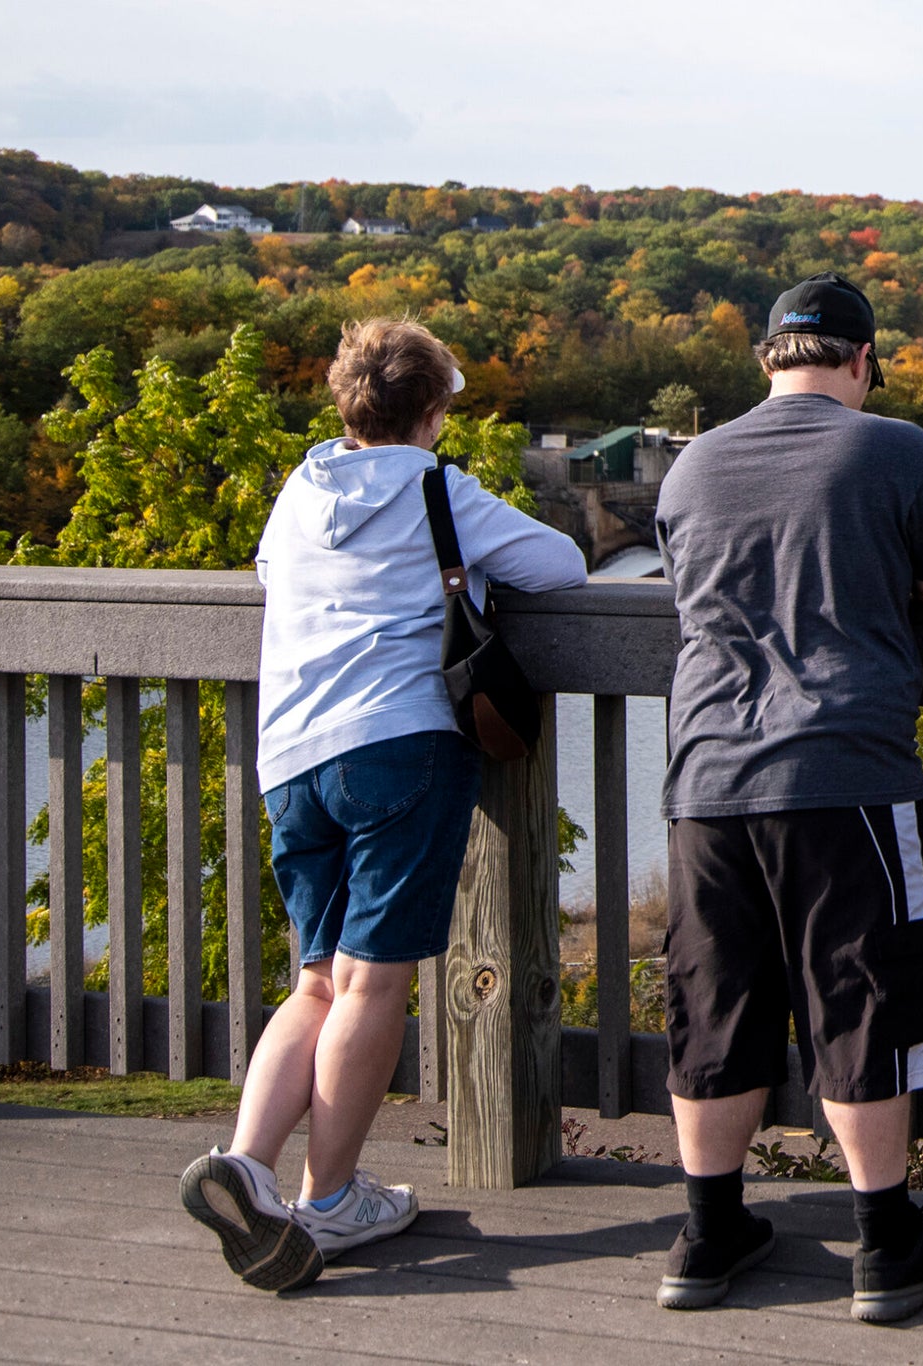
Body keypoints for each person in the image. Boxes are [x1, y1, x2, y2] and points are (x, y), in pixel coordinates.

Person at [179, 318, 587, 1291]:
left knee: (316, 980)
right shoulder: (438, 488)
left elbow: (275, 579)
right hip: (399, 747)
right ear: (435, 410)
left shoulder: (296, 491)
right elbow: (563, 566)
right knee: (371, 987)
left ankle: (243, 1163)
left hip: (290, 758)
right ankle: (330, 1201)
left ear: (346, 403)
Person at [653, 272, 923, 1323]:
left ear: (766, 360)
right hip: (841, 771)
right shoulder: (892, 448)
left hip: (706, 777)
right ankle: (885, 1240)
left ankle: (707, 1233)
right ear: (861, 362)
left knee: (713, 1002)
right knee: (861, 999)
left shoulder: (693, 464)